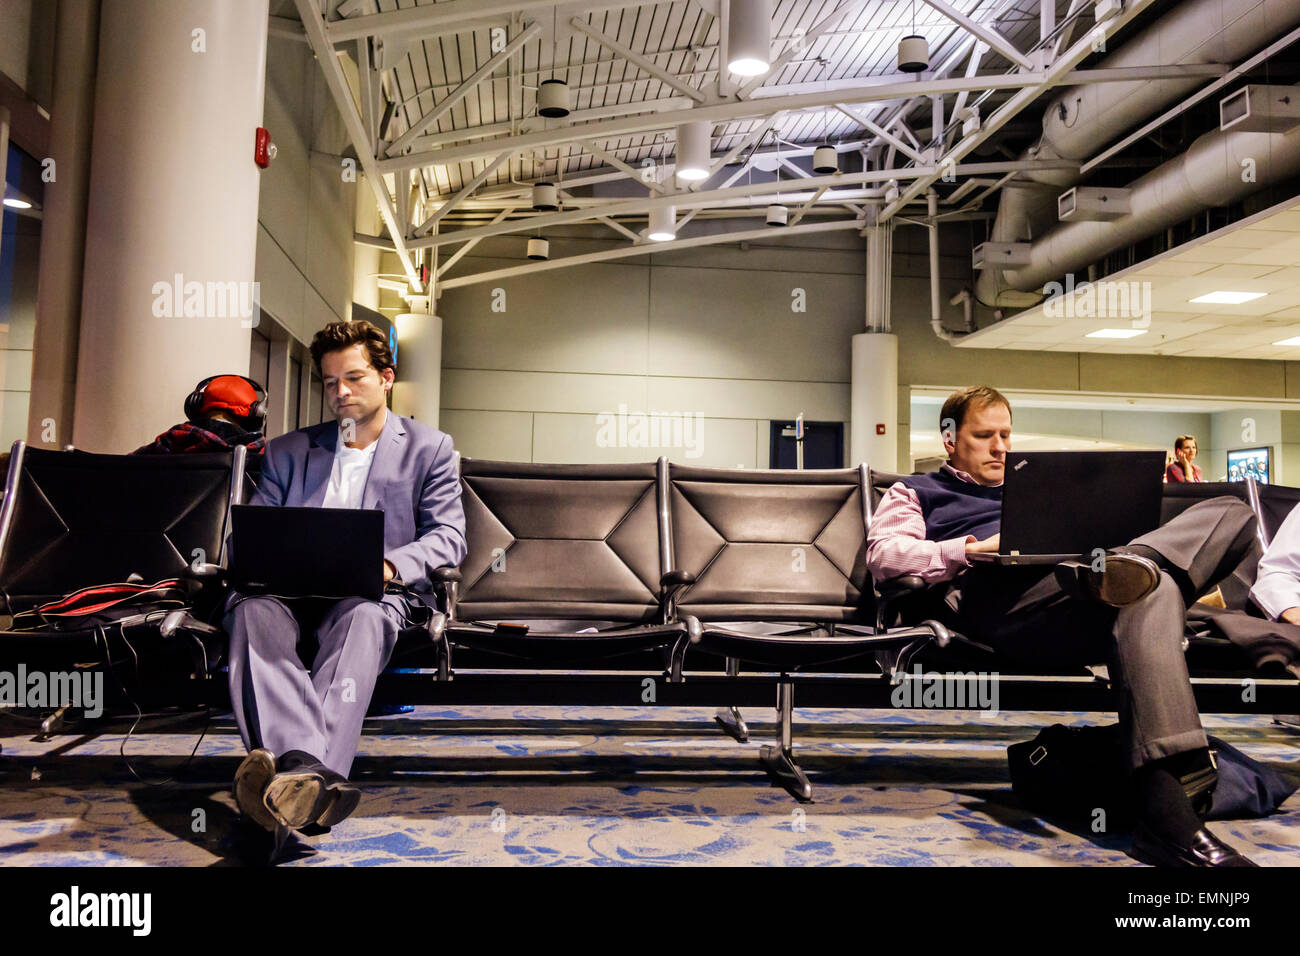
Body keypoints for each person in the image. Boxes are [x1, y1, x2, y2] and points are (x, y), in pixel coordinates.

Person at [867, 386, 1260, 867]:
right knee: (1152, 592)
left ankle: (1133, 566)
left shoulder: (1043, 485)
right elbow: (884, 556)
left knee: (1232, 513)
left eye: (1006, 435)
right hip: (1005, 602)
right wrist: (971, 549)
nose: (1000, 447)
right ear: (950, 439)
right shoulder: (919, 490)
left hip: (1086, 594)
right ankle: (1171, 815)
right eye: (984, 435)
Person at [224, 320, 466, 857]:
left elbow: (449, 537)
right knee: (249, 613)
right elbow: (255, 534)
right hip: (286, 593)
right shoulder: (288, 452)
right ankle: (310, 780)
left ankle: (288, 779)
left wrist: (387, 565)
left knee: (363, 617)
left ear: (386, 378)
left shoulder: (429, 449)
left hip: (371, 593)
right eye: (330, 383)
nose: (340, 393)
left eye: (353, 378)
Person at [133, 374, 267, 456]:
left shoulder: (171, 440)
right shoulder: (261, 452)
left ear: (196, 404)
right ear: (256, 413)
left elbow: (123, 469)